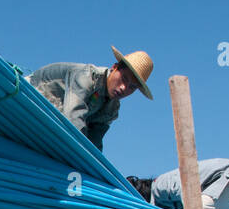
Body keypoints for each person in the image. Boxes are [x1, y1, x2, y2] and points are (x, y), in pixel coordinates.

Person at [26, 47, 154, 149]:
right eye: (124, 79)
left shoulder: (112, 109)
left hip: (51, 126)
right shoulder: (86, 77)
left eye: (132, 87)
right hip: (28, 96)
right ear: (114, 68)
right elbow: (73, 120)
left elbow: (95, 142)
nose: (123, 88)